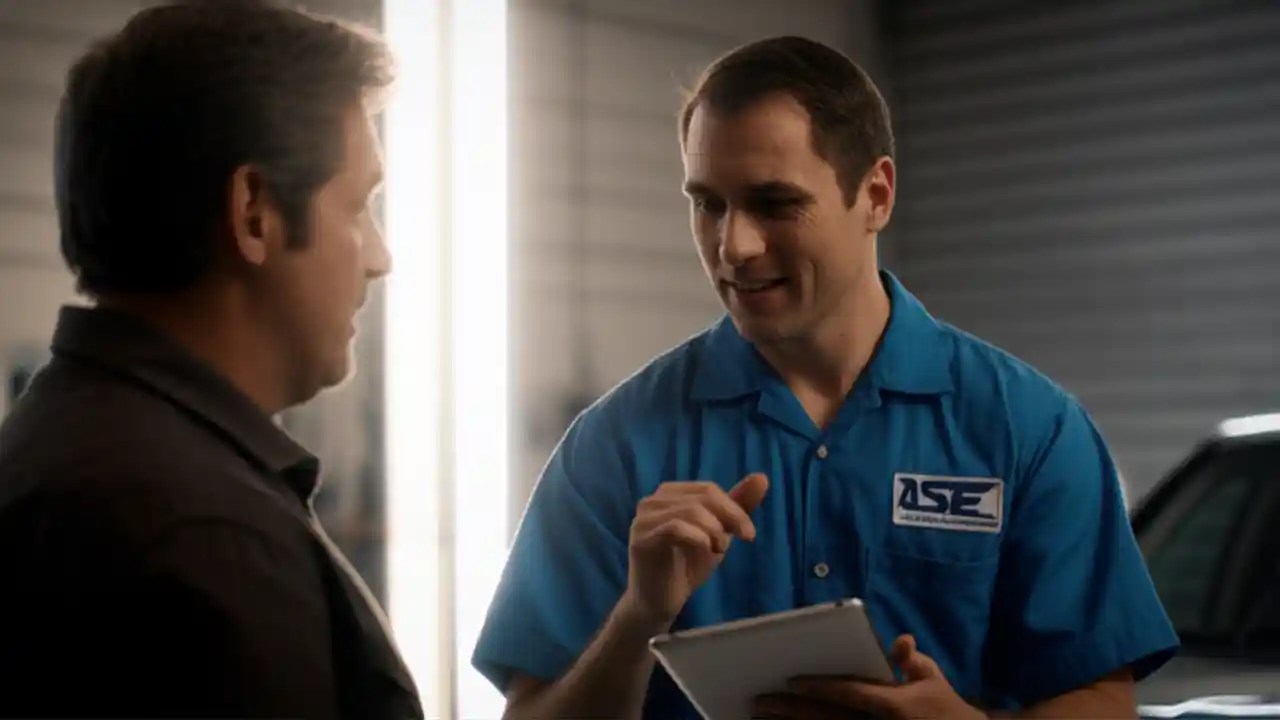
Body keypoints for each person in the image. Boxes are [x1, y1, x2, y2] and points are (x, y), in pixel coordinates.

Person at [473, 36, 1178, 719]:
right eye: (707, 203)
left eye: (775, 204)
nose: (734, 246)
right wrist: (638, 618)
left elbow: (1102, 701)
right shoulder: (616, 447)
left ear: (875, 195)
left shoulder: (1030, 431)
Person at [0, 2, 422, 717]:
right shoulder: (208, 539)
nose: (380, 257)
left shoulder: (59, 443)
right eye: (357, 207)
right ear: (254, 211)